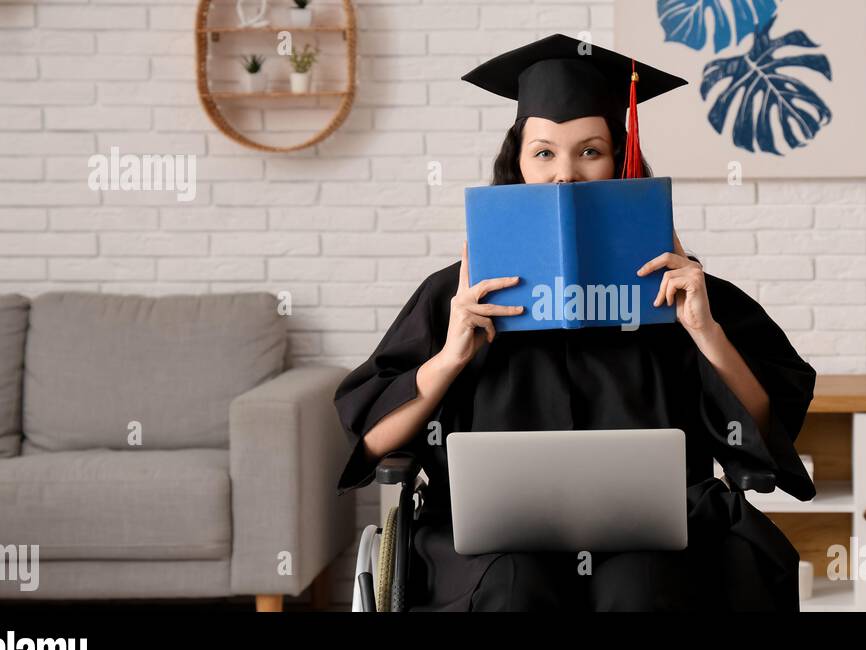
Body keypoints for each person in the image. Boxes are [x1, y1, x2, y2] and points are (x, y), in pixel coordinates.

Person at [333, 34, 817, 612]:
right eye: (544, 153)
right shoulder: (456, 295)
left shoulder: (684, 293)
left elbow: (766, 429)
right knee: (513, 588)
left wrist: (704, 331)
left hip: (657, 539)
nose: (565, 175)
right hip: (492, 547)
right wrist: (450, 358)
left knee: (640, 591)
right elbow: (371, 443)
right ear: (517, 164)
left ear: (622, 161)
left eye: (590, 151)